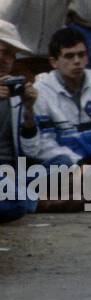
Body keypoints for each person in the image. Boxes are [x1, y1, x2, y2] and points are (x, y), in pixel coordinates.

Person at [25, 27, 91, 183]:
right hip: (66, 168)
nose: (77, 61)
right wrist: (80, 164)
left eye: (81, 54)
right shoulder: (41, 91)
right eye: (69, 56)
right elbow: (42, 145)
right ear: (54, 62)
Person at [0, 22, 39, 223]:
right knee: (18, 202)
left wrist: (29, 110)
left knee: (64, 165)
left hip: (12, 171)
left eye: (12, 55)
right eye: (4, 52)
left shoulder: (14, 88)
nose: (8, 60)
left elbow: (31, 151)